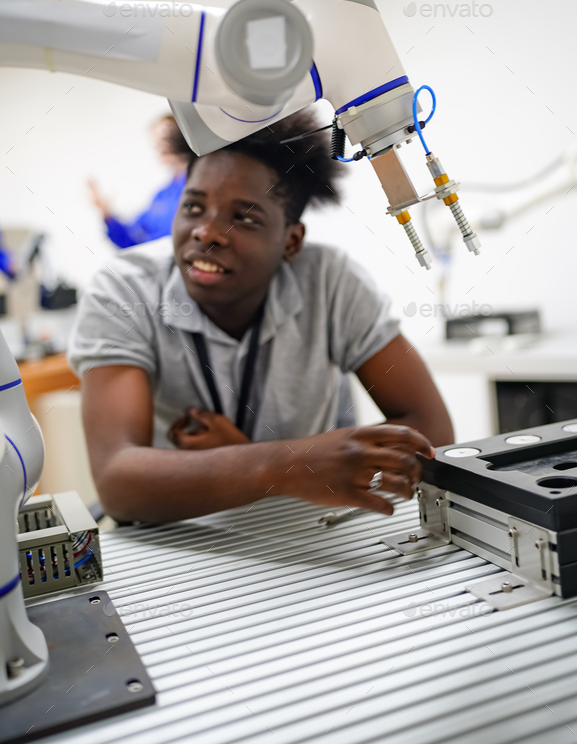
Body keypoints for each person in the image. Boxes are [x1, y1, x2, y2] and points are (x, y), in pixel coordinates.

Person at [69, 109, 454, 524]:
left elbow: (431, 430)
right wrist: (286, 465)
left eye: (243, 218)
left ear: (291, 242)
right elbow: (119, 483)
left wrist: (245, 459)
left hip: (300, 525)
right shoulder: (124, 289)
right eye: (193, 207)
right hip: (181, 532)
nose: (206, 232)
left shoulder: (330, 282)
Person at [88, 115, 193, 248]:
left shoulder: (199, 186)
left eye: (164, 140)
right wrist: (107, 214)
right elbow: (132, 241)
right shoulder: (162, 195)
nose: (158, 147)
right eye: (157, 142)